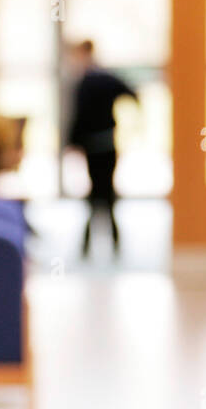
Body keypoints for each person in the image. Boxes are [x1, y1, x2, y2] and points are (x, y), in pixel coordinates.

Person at [67, 39, 138, 257]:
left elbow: (77, 116)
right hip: (105, 144)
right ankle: (108, 242)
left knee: (99, 193)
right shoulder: (105, 78)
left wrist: (73, 142)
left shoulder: (88, 81)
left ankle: (90, 244)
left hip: (97, 145)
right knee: (104, 192)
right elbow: (132, 93)